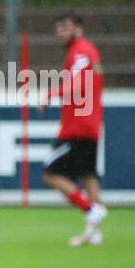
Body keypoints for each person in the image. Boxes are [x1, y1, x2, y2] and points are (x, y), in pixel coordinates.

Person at [40, 12, 107, 245]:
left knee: (51, 173)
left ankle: (90, 210)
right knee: (88, 176)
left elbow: (77, 83)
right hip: (90, 124)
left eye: (65, 27)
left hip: (76, 127)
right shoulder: (88, 51)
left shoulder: (80, 51)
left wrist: (51, 94)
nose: (61, 32)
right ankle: (94, 232)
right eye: (58, 28)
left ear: (78, 28)